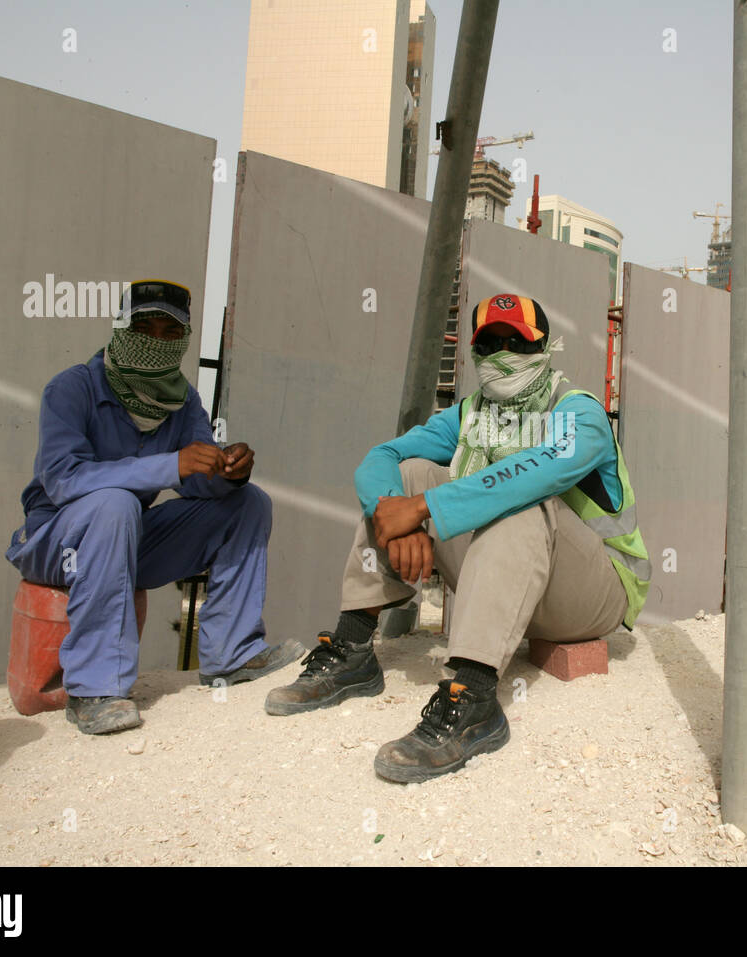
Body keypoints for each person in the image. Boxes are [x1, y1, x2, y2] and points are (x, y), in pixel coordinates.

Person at [265, 294, 650, 783]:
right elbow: (381, 455)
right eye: (489, 343)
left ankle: (473, 696)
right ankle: (353, 650)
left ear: (543, 348)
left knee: (517, 495)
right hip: (517, 580)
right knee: (405, 476)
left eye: (516, 341)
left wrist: (426, 511)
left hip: (593, 593)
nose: (502, 352)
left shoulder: (577, 411)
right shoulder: (471, 413)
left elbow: (540, 470)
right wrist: (397, 515)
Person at [5, 280, 303, 734]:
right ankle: (95, 689)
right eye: (145, 329)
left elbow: (198, 483)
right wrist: (169, 465)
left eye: (170, 332)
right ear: (122, 330)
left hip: (125, 540)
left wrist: (227, 472)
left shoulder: (183, 402)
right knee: (114, 503)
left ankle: (231, 655)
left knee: (249, 503)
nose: (157, 342)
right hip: (54, 541)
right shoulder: (72, 388)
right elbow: (65, 479)